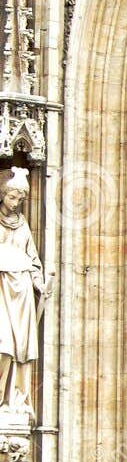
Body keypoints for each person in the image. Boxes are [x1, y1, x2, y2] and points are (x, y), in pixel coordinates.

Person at [0, 168, 48, 422]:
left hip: (21, 294)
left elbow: (33, 260)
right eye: (12, 198)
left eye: (20, 199)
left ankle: (16, 400)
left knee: (20, 349)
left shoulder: (23, 225)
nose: (16, 204)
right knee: (3, 348)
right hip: (1, 291)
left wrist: (39, 283)